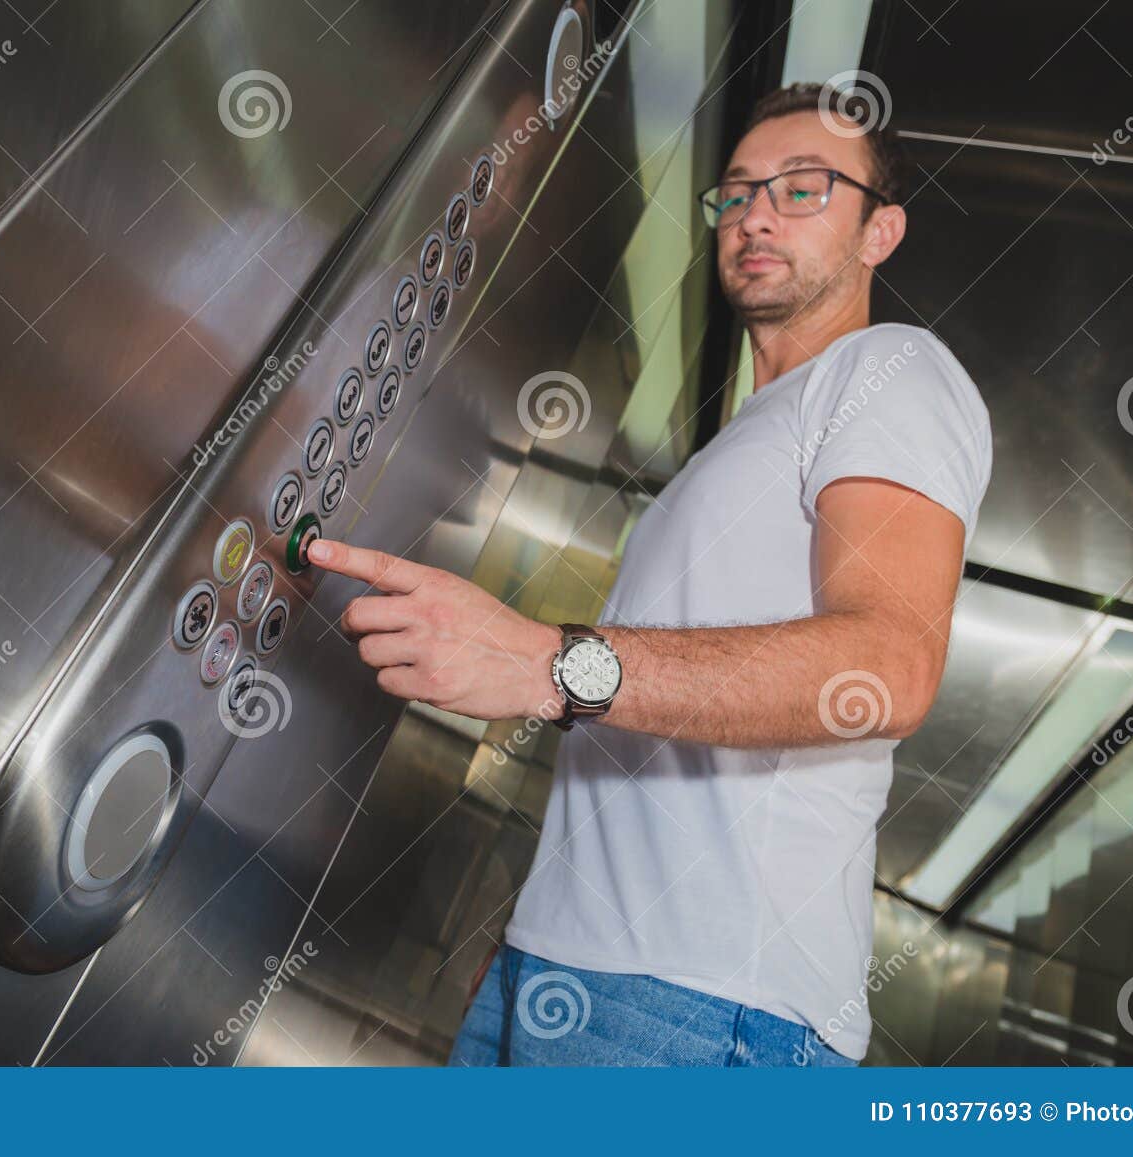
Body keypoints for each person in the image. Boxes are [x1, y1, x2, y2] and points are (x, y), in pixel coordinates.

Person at [305, 82, 993, 1067]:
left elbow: (884, 667)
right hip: (567, 972)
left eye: (803, 189)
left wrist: (550, 663)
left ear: (879, 232)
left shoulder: (888, 371)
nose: (756, 211)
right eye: (739, 190)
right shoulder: (737, 444)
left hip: (702, 1009)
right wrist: (537, 935)